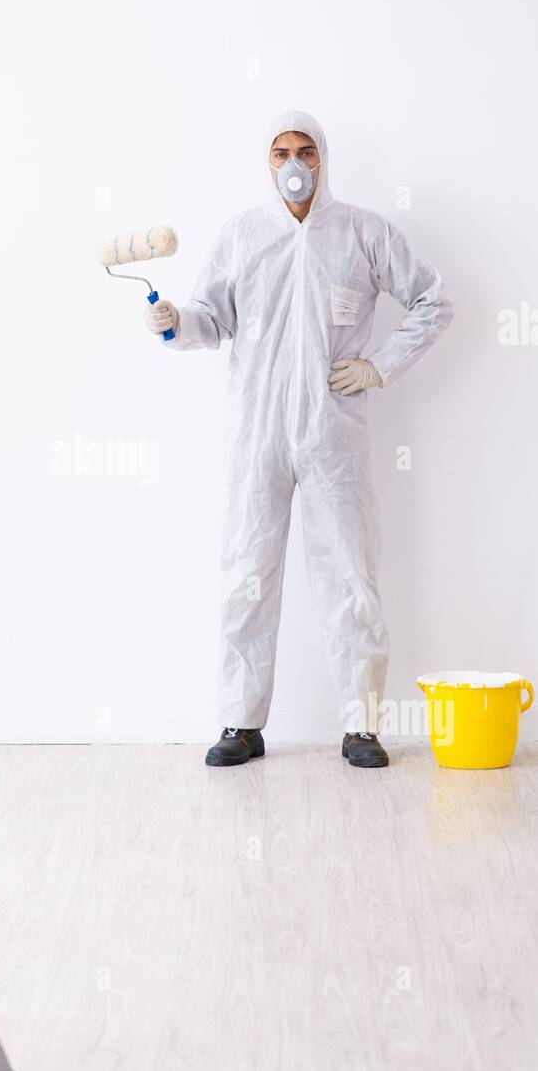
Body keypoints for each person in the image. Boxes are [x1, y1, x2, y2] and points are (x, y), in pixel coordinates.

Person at [144, 109, 453, 770]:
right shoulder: (241, 235)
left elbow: (432, 299)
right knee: (246, 574)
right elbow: (210, 318)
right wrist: (175, 323)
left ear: (321, 158)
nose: (292, 163)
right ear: (267, 162)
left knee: (348, 574)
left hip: (332, 434)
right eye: (280, 151)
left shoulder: (361, 232)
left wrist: (379, 365)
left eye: (304, 151)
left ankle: (360, 726)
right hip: (257, 433)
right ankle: (240, 722)